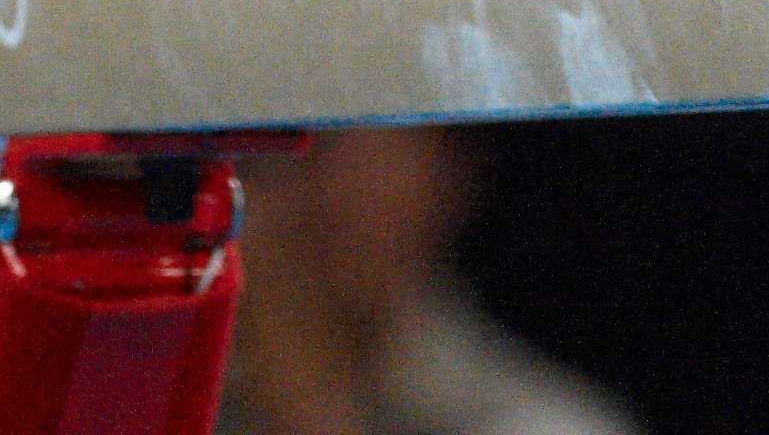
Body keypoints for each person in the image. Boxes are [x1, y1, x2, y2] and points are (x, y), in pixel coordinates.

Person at [215, 128, 640, 435]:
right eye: (278, 153)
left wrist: (304, 398)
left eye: (351, 139)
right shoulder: (168, 397)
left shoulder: (539, 421)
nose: (321, 185)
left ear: (449, 172)